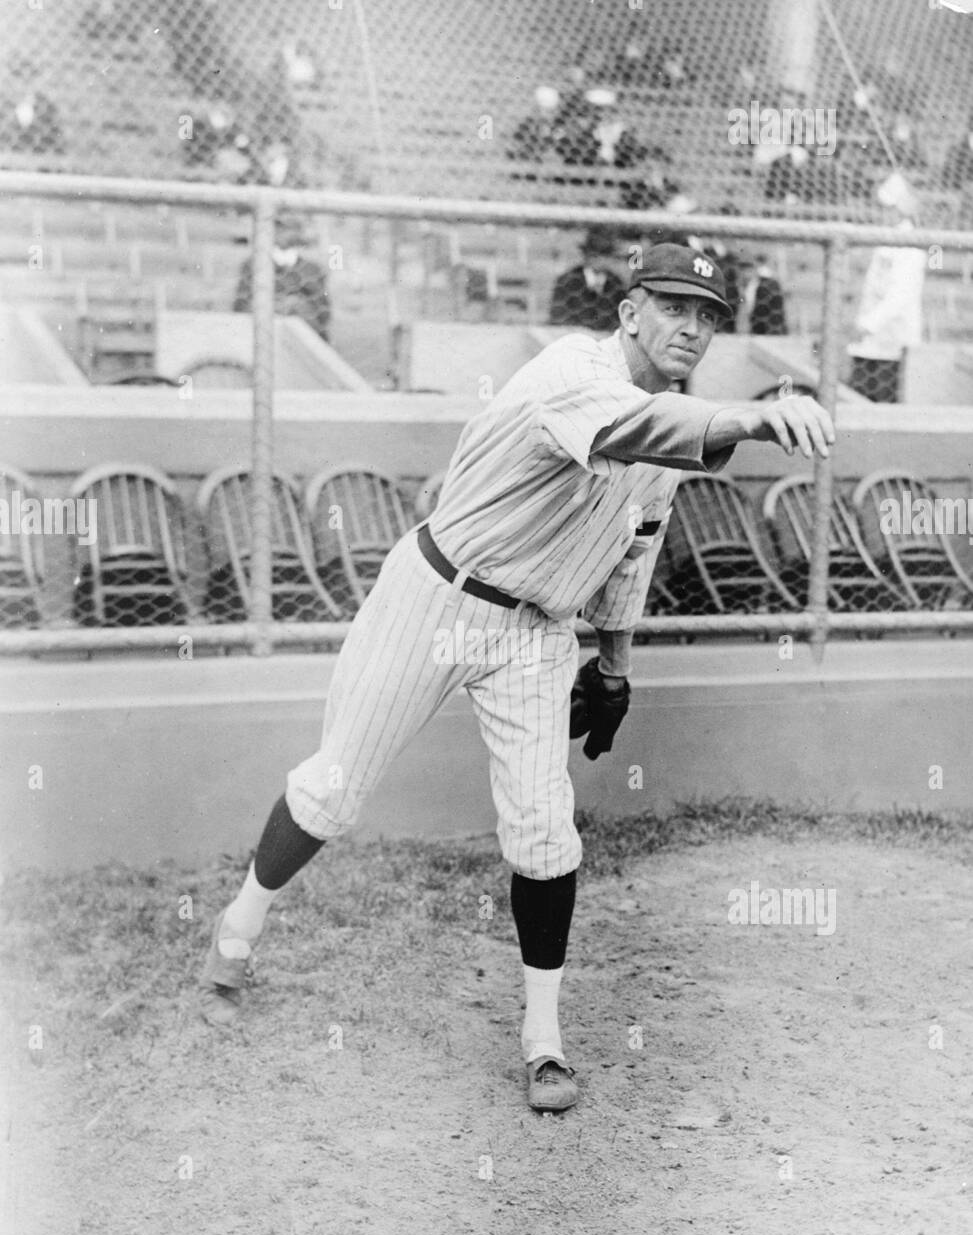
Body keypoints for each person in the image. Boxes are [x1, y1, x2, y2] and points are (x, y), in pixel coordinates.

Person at [198, 244, 834, 1113]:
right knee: (332, 790)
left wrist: (612, 667)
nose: (691, 327)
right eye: (672, 307)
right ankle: (240, 923)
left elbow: (631, 556)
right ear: (628, 313)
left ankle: (543, 1041)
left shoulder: (669, 435)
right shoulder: (572, 371)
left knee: (543, 833)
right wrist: (755, 419)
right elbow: (634, 429)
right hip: (436, 594)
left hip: (535, 629)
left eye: (708, 316)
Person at [847, 173, 925, 403]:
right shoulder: (887, 237)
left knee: (880, 402)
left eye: (887, 207)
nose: (881, 212)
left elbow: (900, 296)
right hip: (869, 341)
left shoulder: (909, 243)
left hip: (891, 341)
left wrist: (867, 325)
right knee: (858, 401)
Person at [233, 216, 330, 342]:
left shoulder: (312, 269)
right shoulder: (253, 265)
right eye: (277, 227)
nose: (281, 232)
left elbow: (323, 314)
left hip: (300, 337)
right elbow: (240, 307)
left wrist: (296, 303)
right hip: (261, 332)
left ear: (298, 232)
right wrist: (271, 305)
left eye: (287, 228)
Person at [549, 227, 626, 330]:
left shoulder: (616, 284)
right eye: (593, 254)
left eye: (603, 254)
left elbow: (621, 321)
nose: (598, 259)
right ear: (585, 255)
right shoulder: (567, 281)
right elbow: (558, 318)